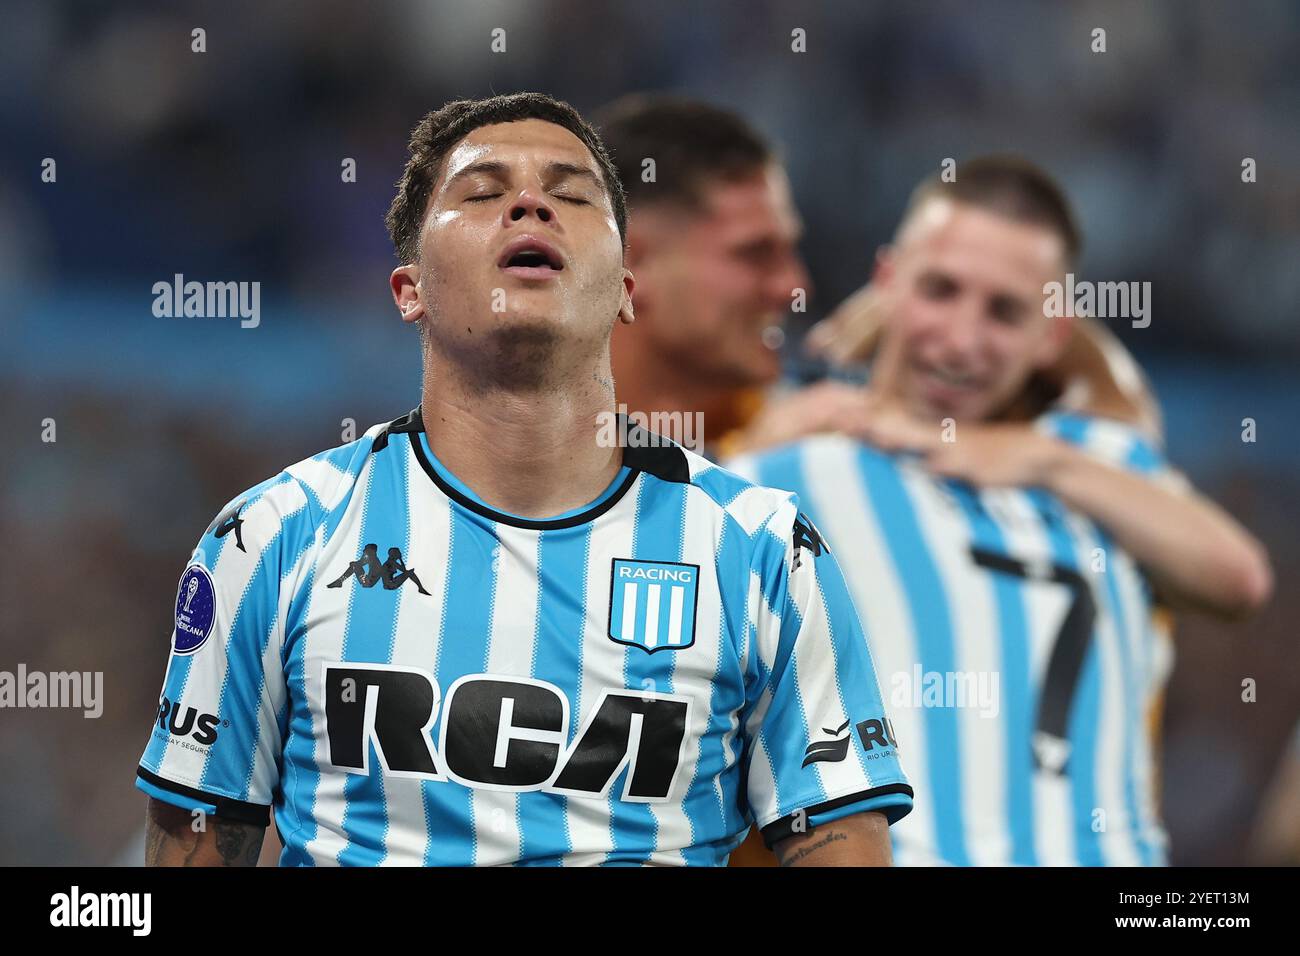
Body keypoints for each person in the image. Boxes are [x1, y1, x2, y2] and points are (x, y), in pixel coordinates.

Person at [135, 92, 911, 867]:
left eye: (572, 194)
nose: (531, 205)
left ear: (626, 291)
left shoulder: (766, 548)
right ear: (409, 291)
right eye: (482, 192)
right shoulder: (272, 535)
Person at [727, 156, 1272, 865]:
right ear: (886, 285)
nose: (961, 341)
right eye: (939, 290)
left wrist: (1040, 460)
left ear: (1052, 336)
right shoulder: (800, 457)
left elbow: (1240, 580)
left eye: (1005, 311)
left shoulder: (1090, 456)